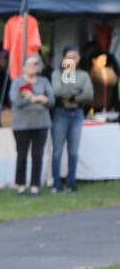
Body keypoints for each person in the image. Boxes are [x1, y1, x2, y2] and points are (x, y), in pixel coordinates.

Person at [49, 45, 93, 194]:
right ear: (63, 59)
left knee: (73, 151)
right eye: (70, 57)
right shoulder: (57, 74)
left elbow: (88, 94)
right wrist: (75, 89)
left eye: (75, 57)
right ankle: (56, 183)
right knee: (57, 150)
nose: (73, 59)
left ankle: (71, 182)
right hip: (61, 113)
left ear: (79, 59)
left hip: (77, 114)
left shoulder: (84, 75)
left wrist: (72, 97)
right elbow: (57, 91)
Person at [9, 53, 53, 195]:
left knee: (37, 154)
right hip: (21, 124)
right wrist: (36, 99)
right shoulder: (17, 82)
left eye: (36, 64)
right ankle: (20, 184)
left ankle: (35, 185)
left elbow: (51, 101)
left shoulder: (44, 81)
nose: (34, 66)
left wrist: (34, 97)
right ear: (24, 67)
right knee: (22, 154)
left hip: (41, 123)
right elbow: (16, 102)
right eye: (31, 64)